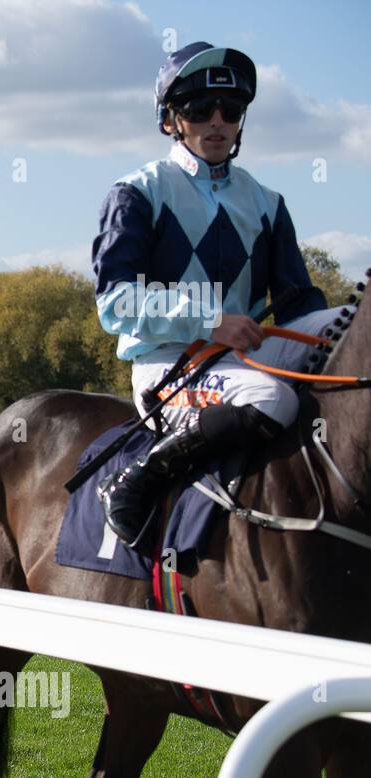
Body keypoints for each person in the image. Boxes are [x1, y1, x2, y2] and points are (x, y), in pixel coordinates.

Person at [92, 41, 343, 546]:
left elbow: (299, 306)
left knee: (348, 323)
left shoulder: (267, 202)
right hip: (170, 366)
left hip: (245, 356)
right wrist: (211, 322)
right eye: (199, 109)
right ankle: (135, 477)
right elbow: (115, 304)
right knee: (272, 399)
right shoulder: (137, 192)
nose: (217, 121)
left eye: (231, 110)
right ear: (171, 120)